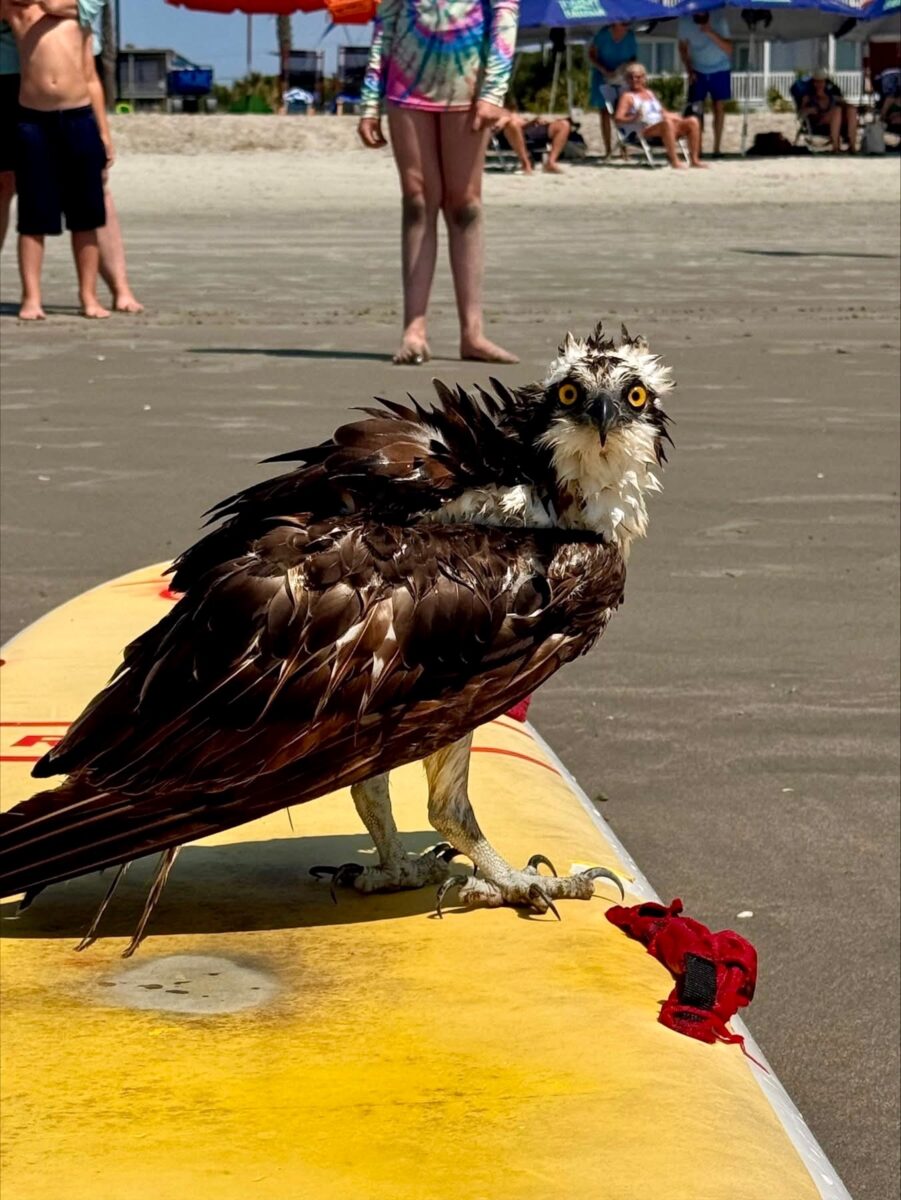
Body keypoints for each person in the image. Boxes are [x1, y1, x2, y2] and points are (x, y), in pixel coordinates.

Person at [358, 0, 519, 366]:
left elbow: (505, 15)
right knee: (417, 200)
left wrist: (493, 93)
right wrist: (369, 102)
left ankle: (472, 333)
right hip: (406, 86)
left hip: (468, 85)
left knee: (465, 206)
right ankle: (414, 331)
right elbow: (385, 24)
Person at [0, 2, 143, 314]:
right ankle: (32, 297)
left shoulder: (80, 17)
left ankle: (108, 291)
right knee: (24, 203)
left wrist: (105, 134)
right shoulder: (18, 12)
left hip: (76, 106)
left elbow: (63, 7)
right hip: (23, 96)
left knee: (90, 205)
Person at [615, 63, 706, 170]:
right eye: (631, 77)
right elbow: (618, 119)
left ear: (644, 78)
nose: (635, 80)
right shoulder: (627, 97)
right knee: (667, 123)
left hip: (662, 126)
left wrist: (675, 116)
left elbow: (662, 112)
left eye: (638, 77)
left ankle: (695, 160)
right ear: (627, 80)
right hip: (644, 130)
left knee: (693, 121)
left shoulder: (649, 93)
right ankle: (674, 161)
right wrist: (634, 118)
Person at [677, 10, 733, 157]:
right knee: (696, 109)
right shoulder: (685, 21)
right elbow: (682, 48)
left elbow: (729, 49)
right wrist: (689, 70)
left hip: (720, 67)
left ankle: (717, 149)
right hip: (698, 68)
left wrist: (710, 32)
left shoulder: (719, 19)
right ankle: (697, 149)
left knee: (719, 107)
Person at [587, 21, 637, 159]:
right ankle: (608, 149)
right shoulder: (603, 35)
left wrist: (622, 69)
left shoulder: (630, 36)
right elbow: (591, 55)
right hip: (602, 75)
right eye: (623, 22)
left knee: (622, 111)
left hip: (622, 76)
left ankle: (624, 149)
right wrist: (604, 70)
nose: (626, 24)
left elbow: (633, 58)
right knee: (604, 112)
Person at [799, 67, 859, 153]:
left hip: (836, 118)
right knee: (837, 110)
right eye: (817, 81)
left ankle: (852, 147)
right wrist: (811, 109)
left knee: (852, 110)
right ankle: (835, 148)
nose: (819, 84)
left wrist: (831, 98)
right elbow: (802, 111)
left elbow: (842, 102)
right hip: (818, 120)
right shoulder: (808, 94)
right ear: (813, 82)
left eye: (822, 81)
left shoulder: (831, 91)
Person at [496, 109, 572, 174]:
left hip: (528, 129)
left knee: (564, 124)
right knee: (513, 125)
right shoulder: (490, 108)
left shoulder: (510, 109)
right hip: (510, 134)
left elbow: (522, 123)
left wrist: (533, 121)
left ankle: (550, 162)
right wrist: (506, 119)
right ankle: (525, 163)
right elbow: (496, 127)